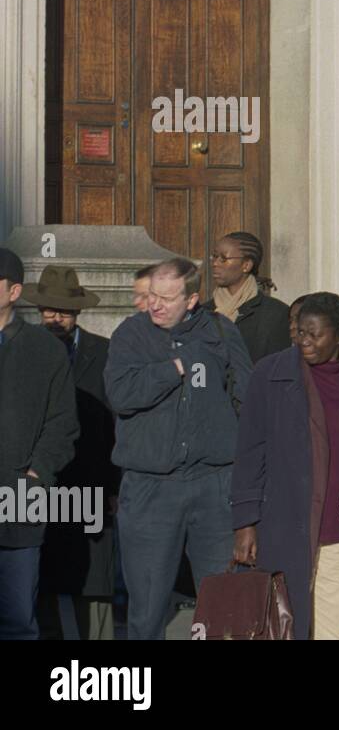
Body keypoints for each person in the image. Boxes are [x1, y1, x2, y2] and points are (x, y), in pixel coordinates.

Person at [231, 292, 339, 639]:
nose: (304, 342)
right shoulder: (270, 374)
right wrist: (244, 521)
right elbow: (250, 452)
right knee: (283, 628)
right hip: (284, 528)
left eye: (314, 334)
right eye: (300, 333)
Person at [104, 257, 253, 639]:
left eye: (167, 298)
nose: (156, 305)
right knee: (147, 607)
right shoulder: (130, 335)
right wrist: (173, 368)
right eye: (152, 295)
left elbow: (246, 401)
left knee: (221, 602)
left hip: (214, 483)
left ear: (191, 300)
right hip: (151, 487)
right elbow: (120, 394)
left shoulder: (221, 332)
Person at [24, 267, 119, 638]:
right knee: (39, 574)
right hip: (39, 479)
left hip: (92, 480)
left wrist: (115, 484)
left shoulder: (104, 351)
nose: (54, 317)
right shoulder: (24, 348)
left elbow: (114, 422)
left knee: (96, 584)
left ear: (77, 312)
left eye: (62, 311)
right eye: (47, 309)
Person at [0, 249, 79, 640]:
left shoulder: (44, 349)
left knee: (17, 620)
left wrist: (35, 475)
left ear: (14, 291)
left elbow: (63, 423)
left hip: (19, 497)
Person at [204, 232, 291, 364]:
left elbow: (277, 369)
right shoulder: (202, 312)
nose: (215, 263)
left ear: (246, 265)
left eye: (223, 258)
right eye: (214, 257)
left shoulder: (276, 314)